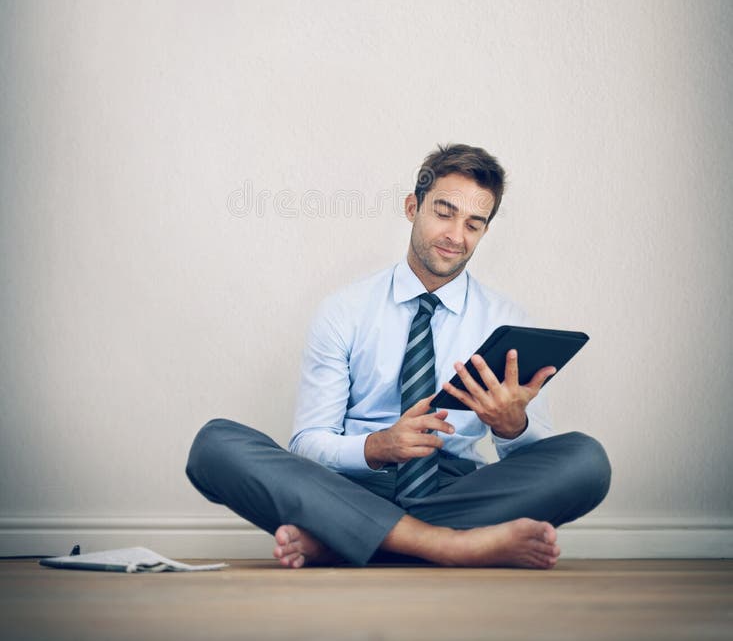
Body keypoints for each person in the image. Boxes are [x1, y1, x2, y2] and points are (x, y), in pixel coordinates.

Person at [186, 144, 611, 569]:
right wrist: (377, 446)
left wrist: (511, 426)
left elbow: (532, 462)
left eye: (473, 224)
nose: (456, 236)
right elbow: (308, 444)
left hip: (456, 492)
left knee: (586, 461)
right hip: (351, 488)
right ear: (413, 207)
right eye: (444, 213)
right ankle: (449, 545)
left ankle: (344, 540)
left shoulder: (506, 321)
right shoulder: (344, 311)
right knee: (214, 444)